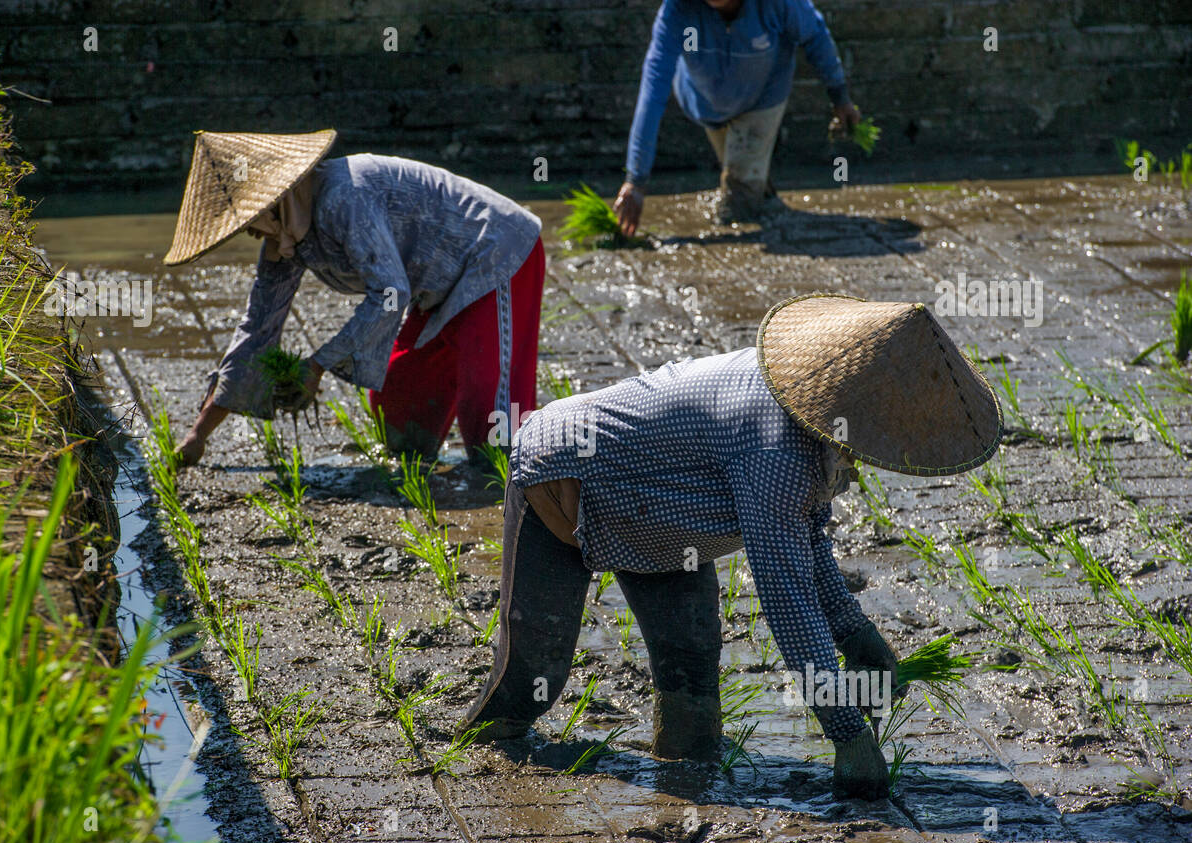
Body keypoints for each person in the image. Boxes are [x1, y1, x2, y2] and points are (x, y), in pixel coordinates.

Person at [461, 294, 1003, 800]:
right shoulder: (777, 445)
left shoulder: (815, 422)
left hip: (668, 524)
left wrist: (854, 631)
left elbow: (807, 536)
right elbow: (787, 598)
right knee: (533, 676)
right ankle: (472, 766)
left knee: (692, 680)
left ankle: (682, 792)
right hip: (564, 479)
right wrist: (847, 733)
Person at [163, 130, 545, 466]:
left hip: (495, 254)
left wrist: (317, 365)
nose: (248, 233)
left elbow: (392, 294)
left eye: (247, 222)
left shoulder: (343, 198)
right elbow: (257, 328)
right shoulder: (285, 234)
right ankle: (426, 473)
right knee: (398, 399)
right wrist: (200, 434)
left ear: (272, 200)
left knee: (490, 412)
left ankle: (513, 494)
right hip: (438, 285)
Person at [614, 0, 860, 233]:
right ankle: (766, 201)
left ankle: (759, 239)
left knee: (738, 200)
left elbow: (815, 35)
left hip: (762, 101)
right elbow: (653, 89)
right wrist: (636, 181)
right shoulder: (678, 10)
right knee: (749, 182)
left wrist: (839, 97)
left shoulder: (776, 5)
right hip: (705, 103)